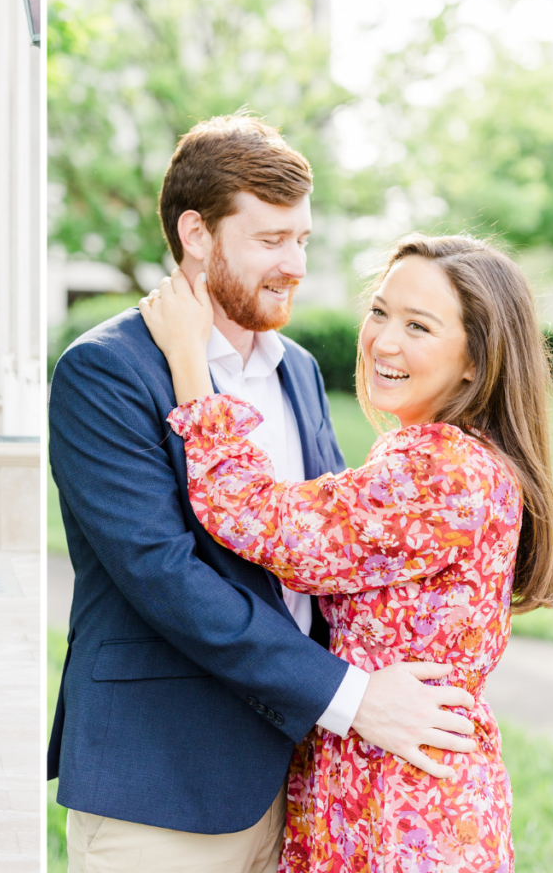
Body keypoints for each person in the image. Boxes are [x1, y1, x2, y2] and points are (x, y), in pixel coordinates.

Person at [49, 113, 486, 873]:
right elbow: (164, 574)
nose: (295, 265)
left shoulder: (298, 371)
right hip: (163, 787)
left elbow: (312, 549)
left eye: (303, 240)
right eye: (270, 240)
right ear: (197, 234)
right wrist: (352, 698)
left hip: (299, 782)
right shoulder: (106, 371)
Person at [140, 230, 553, 871]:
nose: (384, 341)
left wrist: (189, 362)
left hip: (399, 804)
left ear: (476, 359)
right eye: (380, 311)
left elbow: (260, 520)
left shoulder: (439, 467)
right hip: (392, 784)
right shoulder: (461, 457)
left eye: (419, 326)